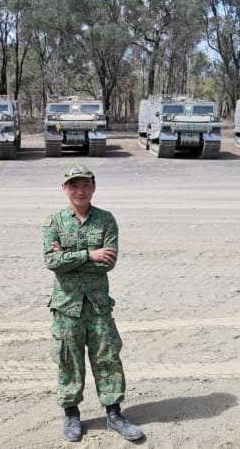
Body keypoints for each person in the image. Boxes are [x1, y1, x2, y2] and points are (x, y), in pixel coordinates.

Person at [42, 162, 144, 442]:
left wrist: (71, 256)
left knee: (107, 358)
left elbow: (108, 263)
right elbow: (51, 261)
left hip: (98, 305)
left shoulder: (106, 220)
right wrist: (89, 255)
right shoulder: (53, 222)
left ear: (94, 187)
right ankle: (72, 415)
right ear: (65, 189)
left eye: (86, 184)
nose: (80, 190)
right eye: (74, 185)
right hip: (67, 307)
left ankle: (114, 413)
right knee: (69, 362)